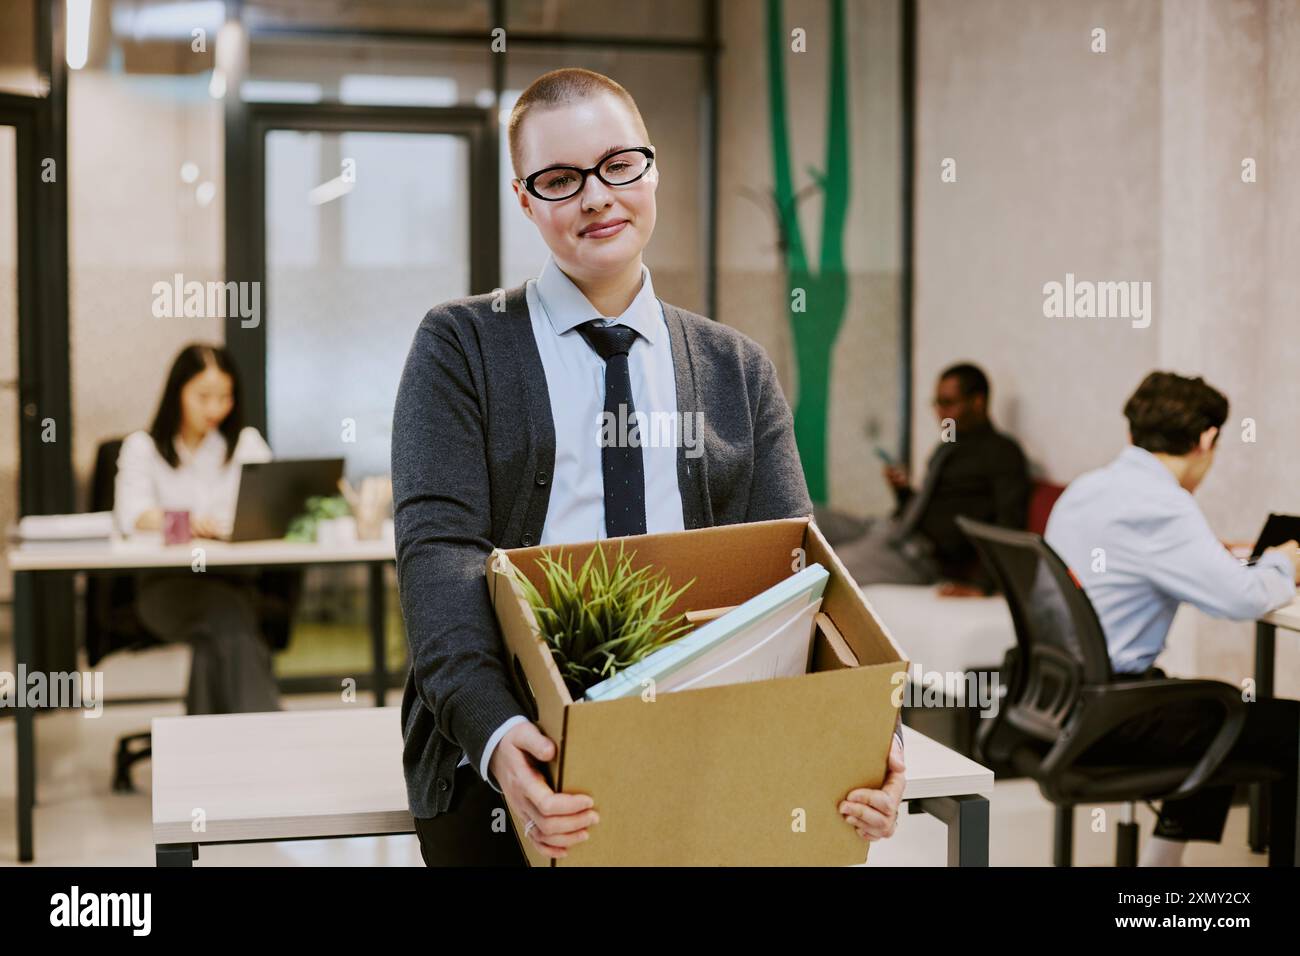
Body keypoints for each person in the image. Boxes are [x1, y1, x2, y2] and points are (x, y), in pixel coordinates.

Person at [392, 67, 906, 866]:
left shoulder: (735, 367)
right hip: (520, 741)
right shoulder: (461, 345)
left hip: (705, 739)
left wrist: (873, 727)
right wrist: (495, 737)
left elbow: (802, 578)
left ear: (651, 169)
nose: (596, 197)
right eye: (561, 180)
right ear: (526, 200)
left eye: (617, 165)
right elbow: (441, 556)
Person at [1045, 371, 1300, 866]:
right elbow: (1243, 599)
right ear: (1207, 440)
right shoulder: (1163, 505)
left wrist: (1207, 554)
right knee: (1282, 725)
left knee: (1215, 708)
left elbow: (1134, 560)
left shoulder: (1087, 489)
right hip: (1113, 717)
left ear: (1131, 434)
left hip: (1061, 701)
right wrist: (1285, 561)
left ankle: (1159, 868)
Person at [114, 343, 280, 715]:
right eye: (203, 396)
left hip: (233, 580)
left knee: (217, 636)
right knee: (228, 619)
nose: (215, 409)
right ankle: (269, 735)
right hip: (166, 588)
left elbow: (267, 506)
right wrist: (185, 522)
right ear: (178, 393)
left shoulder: (244, 443)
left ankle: (204, 753)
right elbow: (132, 515)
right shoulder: (142, 448)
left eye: (225, 397)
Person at [833, 363, 1030, 596]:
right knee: (809, 519)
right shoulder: (947, 447)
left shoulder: (1002, 452)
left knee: (821, 568)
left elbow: (1009, 524)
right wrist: (902, 491)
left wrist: (982, 585)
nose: (939, 412)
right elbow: (925, 508)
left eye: (947, 403)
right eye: (936, 403)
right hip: (892, 530)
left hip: (918, 555)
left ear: (977, 402)